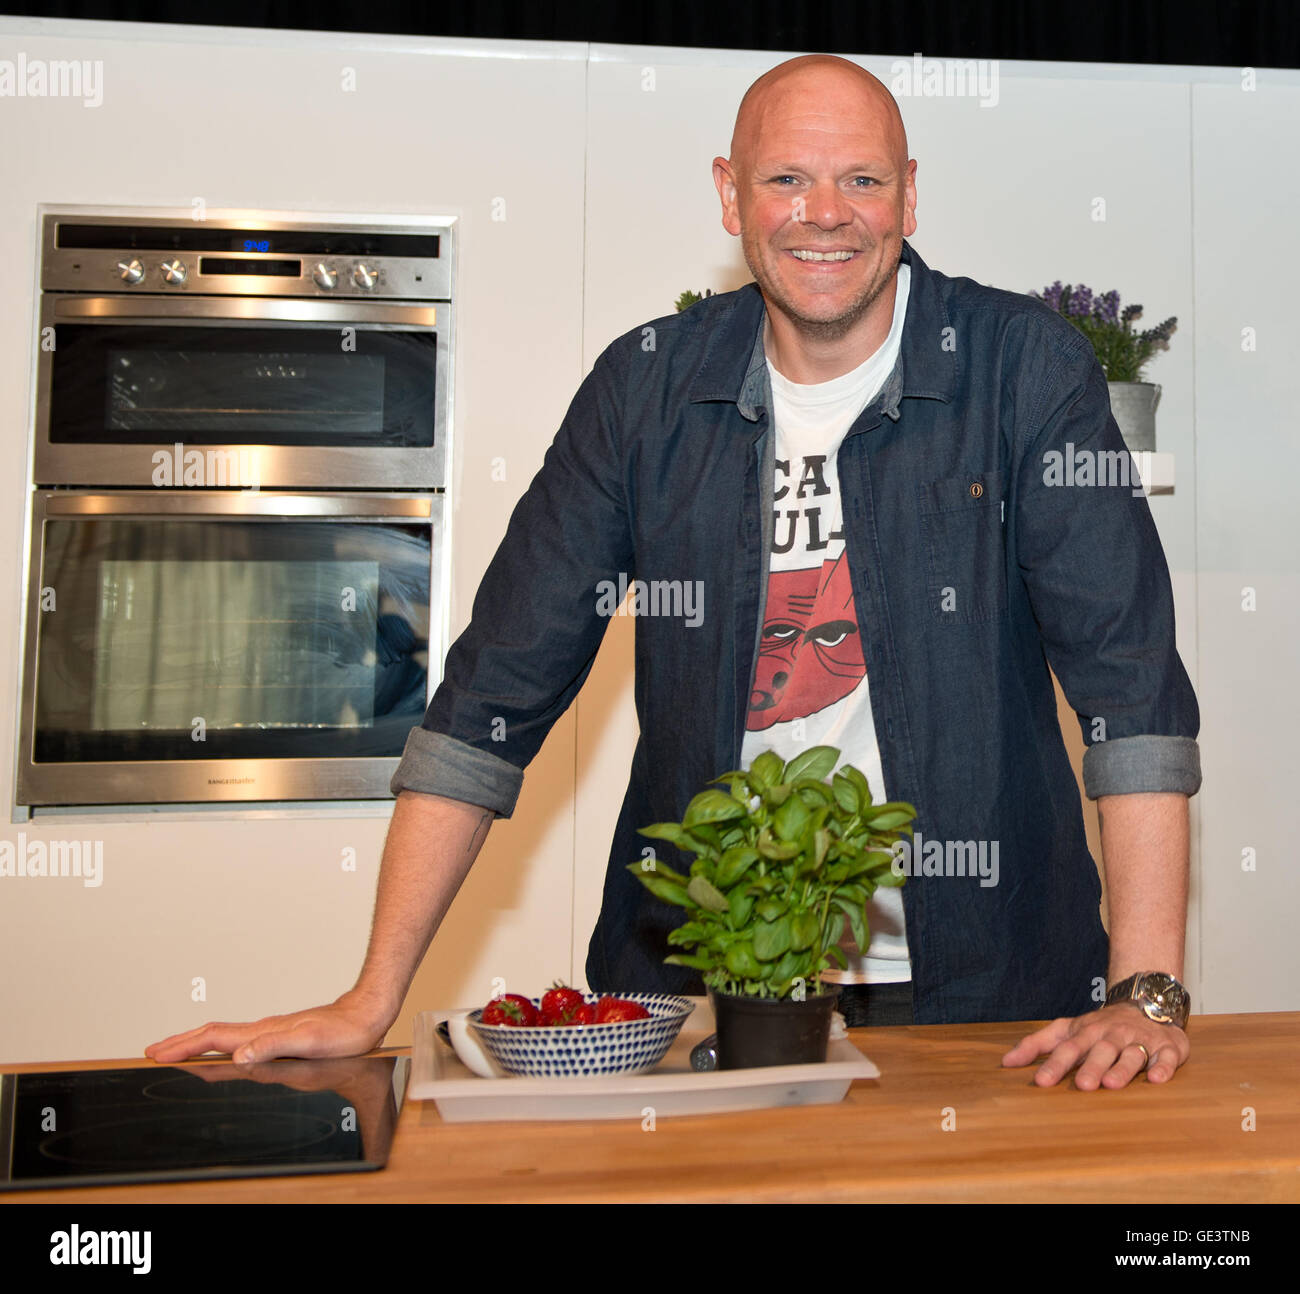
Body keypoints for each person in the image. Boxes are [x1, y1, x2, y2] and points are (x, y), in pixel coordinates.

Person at [148, 55, 1199, 1090]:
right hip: (698, 993)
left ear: (909, 196)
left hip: (990, 997)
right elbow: (490, 699)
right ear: (729, 195)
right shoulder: (642, 389)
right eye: (785, 178)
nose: (822, 213)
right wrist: (370, 996)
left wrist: (1145, 988)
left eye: (861, 180)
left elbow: (1129, 689)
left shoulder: (1026, 368)